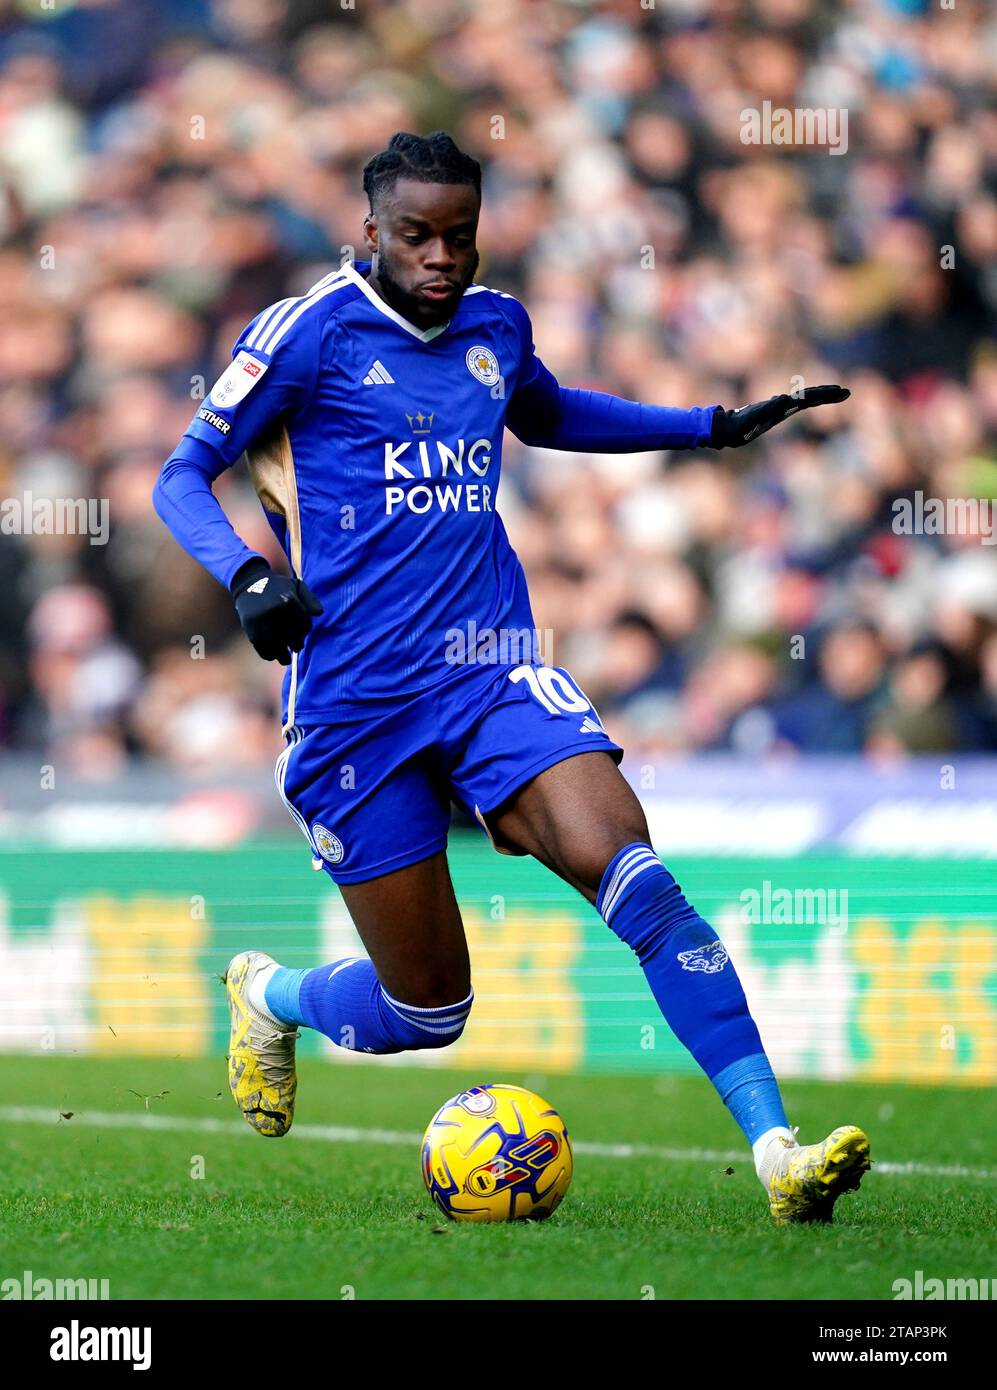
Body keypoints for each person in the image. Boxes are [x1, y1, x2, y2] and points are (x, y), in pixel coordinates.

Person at [153, 131, 864, 1224]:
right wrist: (249, 576)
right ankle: (272, 993)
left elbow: (548, 410)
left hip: (492, 675)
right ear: (371, 230)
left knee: (638, 879)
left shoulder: (495, 325)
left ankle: (777, 1152)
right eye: (416, 236)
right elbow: (181, 474)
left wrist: (711, 429)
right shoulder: (307, 333)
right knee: (429, 1013)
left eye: (460, 235)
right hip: (353, 706)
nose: (441, 256)